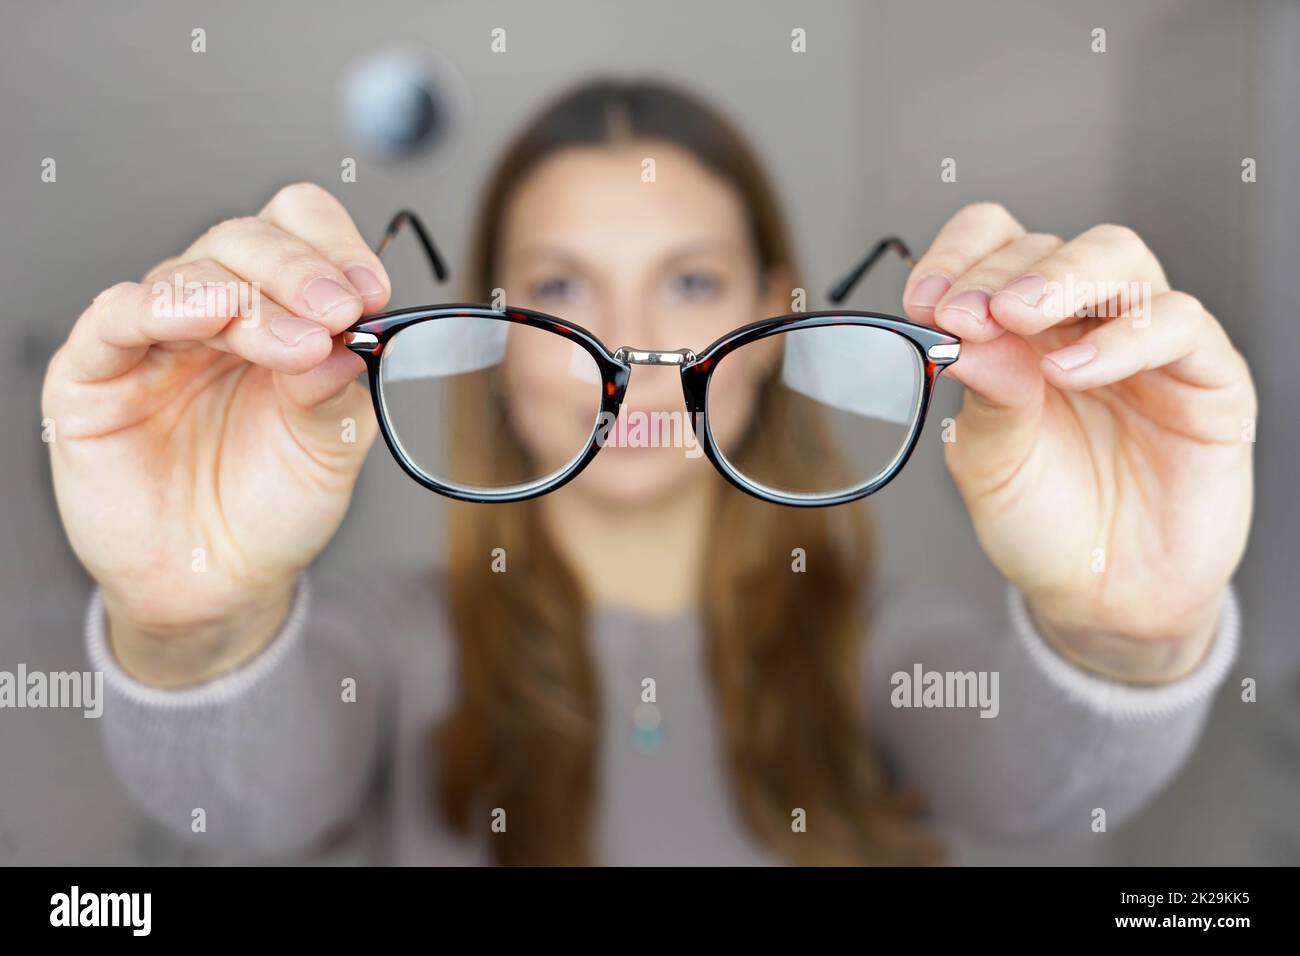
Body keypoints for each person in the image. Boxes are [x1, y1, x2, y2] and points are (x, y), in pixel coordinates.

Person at [43, 79, 1254, 865]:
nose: (630, 353)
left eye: (689, 281)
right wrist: (193, 623)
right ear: (491, 339)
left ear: (778, 325)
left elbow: (1040, 791)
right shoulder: (377, 653)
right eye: (562, 288)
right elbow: (238, 810)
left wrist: (1127, 635)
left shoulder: (893, 650)